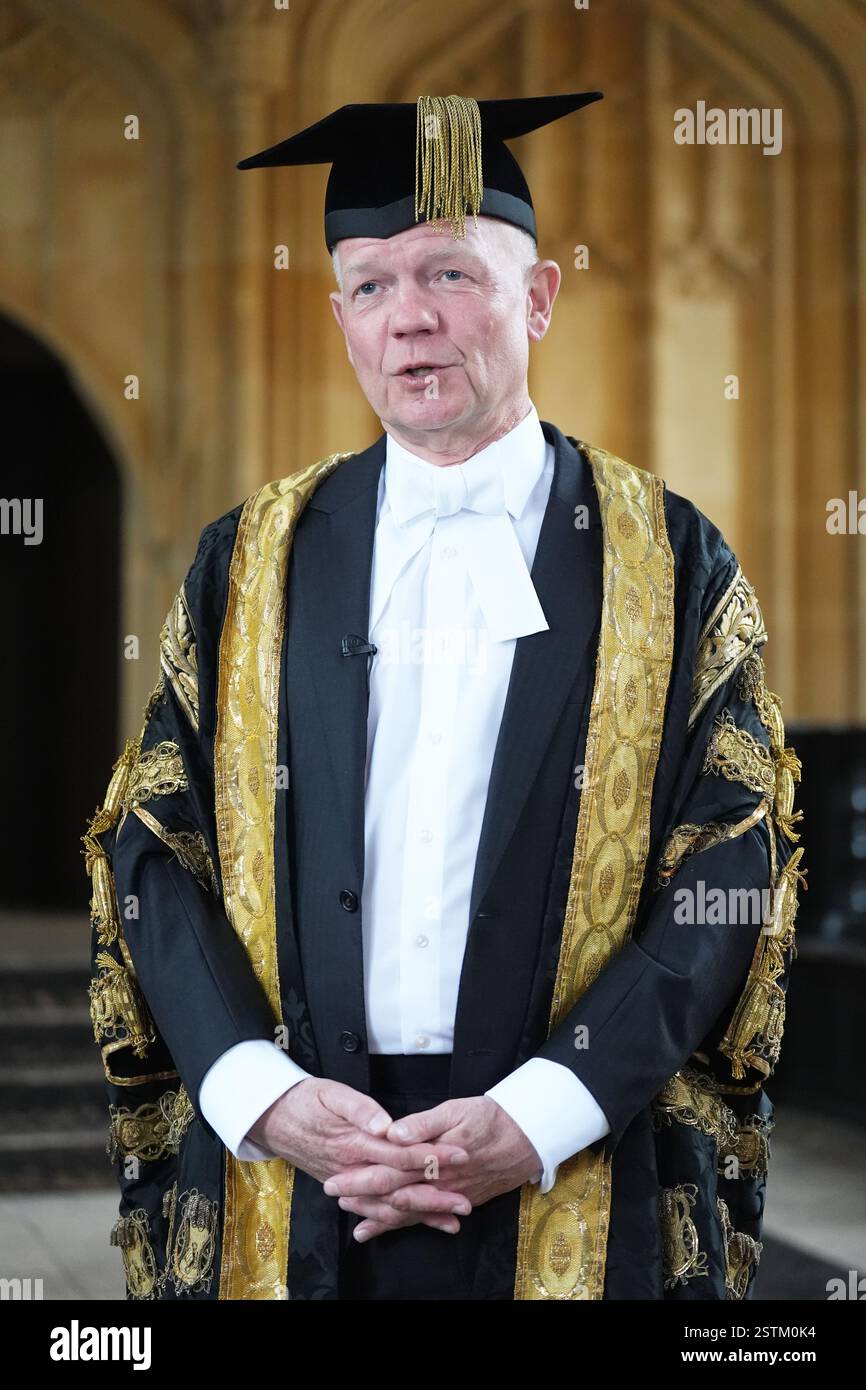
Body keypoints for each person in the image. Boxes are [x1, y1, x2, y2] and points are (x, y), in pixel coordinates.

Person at [83, 92, 805, 1301]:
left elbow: (732, 856)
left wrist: (544, 1108)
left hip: (575, 1158)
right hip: (297, 1167)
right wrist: (260, 1091)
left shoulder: (668, 558)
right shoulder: (247, 559)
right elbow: (157, 843)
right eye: (369, 283)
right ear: (339, 319)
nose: (408, 316)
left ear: (539, 297)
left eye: (449, 273)